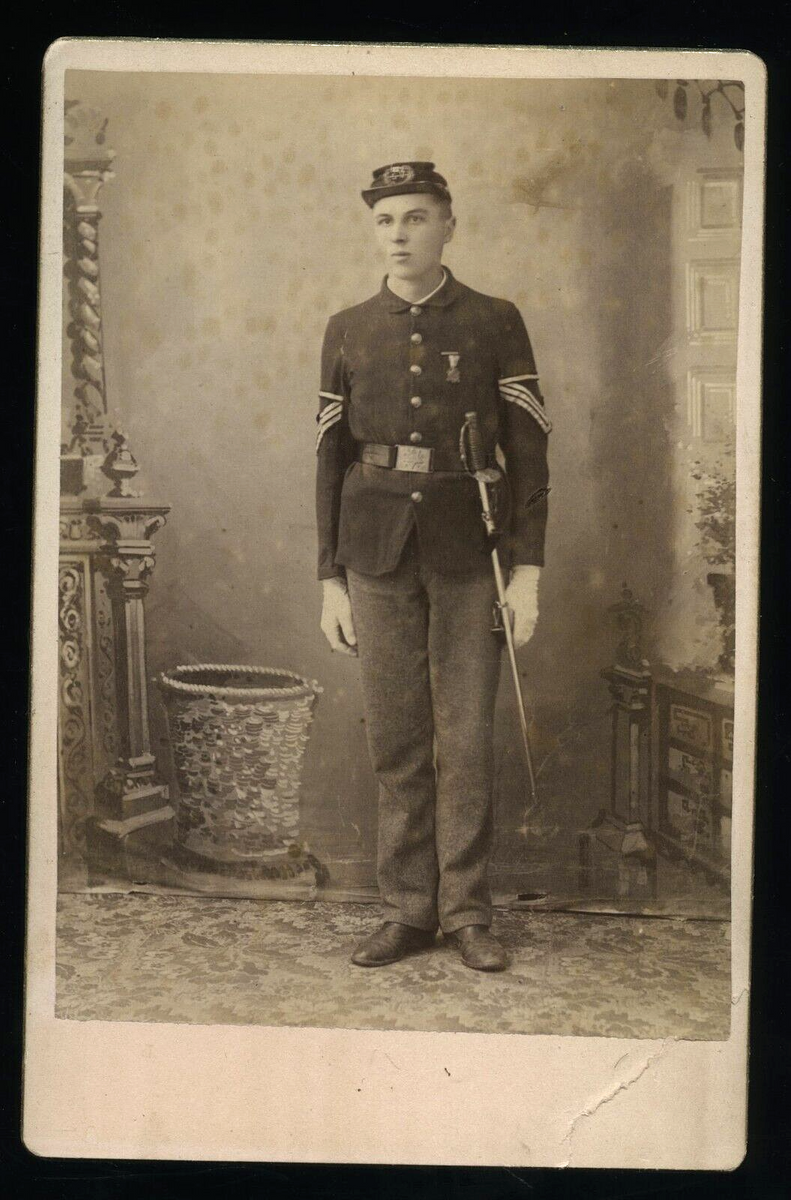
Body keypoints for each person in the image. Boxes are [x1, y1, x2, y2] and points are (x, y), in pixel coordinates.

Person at [315, 162, 550, 972]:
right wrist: (328, 579)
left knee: (465, 737)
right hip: (373, 552)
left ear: (449, 224)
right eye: (386, 221)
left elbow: (527, 451)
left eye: (417, 218)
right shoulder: (346, 327)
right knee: (397, 738)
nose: (400, 234)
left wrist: (526, 573)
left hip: (467, 552)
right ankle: (406, 910)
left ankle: (466, 913)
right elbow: (328, 457)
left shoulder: (494, 319)